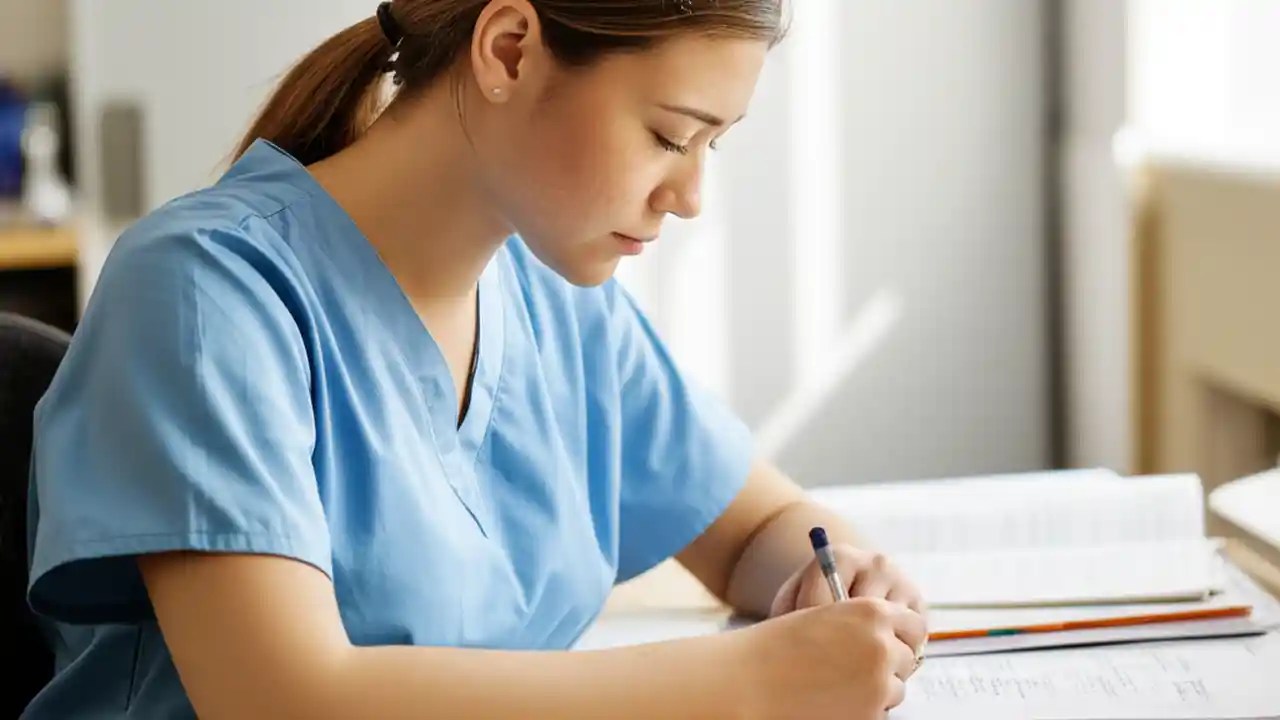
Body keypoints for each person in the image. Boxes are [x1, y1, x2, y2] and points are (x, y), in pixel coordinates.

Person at [24, 1, 928, 717]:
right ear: (507, 49)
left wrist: (831, 576)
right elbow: (283, 702)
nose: (691, 195)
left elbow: (756, 532)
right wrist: (752, 684)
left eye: (711, 146)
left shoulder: (557, 301)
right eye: (669, 135)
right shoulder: (206, 293)